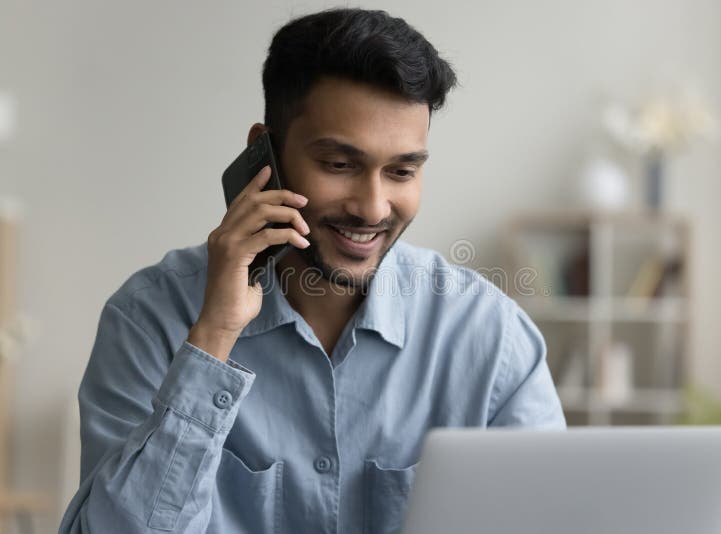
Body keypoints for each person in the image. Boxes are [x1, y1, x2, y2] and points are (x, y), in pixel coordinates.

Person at [59, 7, 565, 534]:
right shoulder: (149, 319)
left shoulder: (491, 336)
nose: (373, 208)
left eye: (401, 171)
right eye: (339, 165)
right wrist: (211, 341)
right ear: (264, 152)